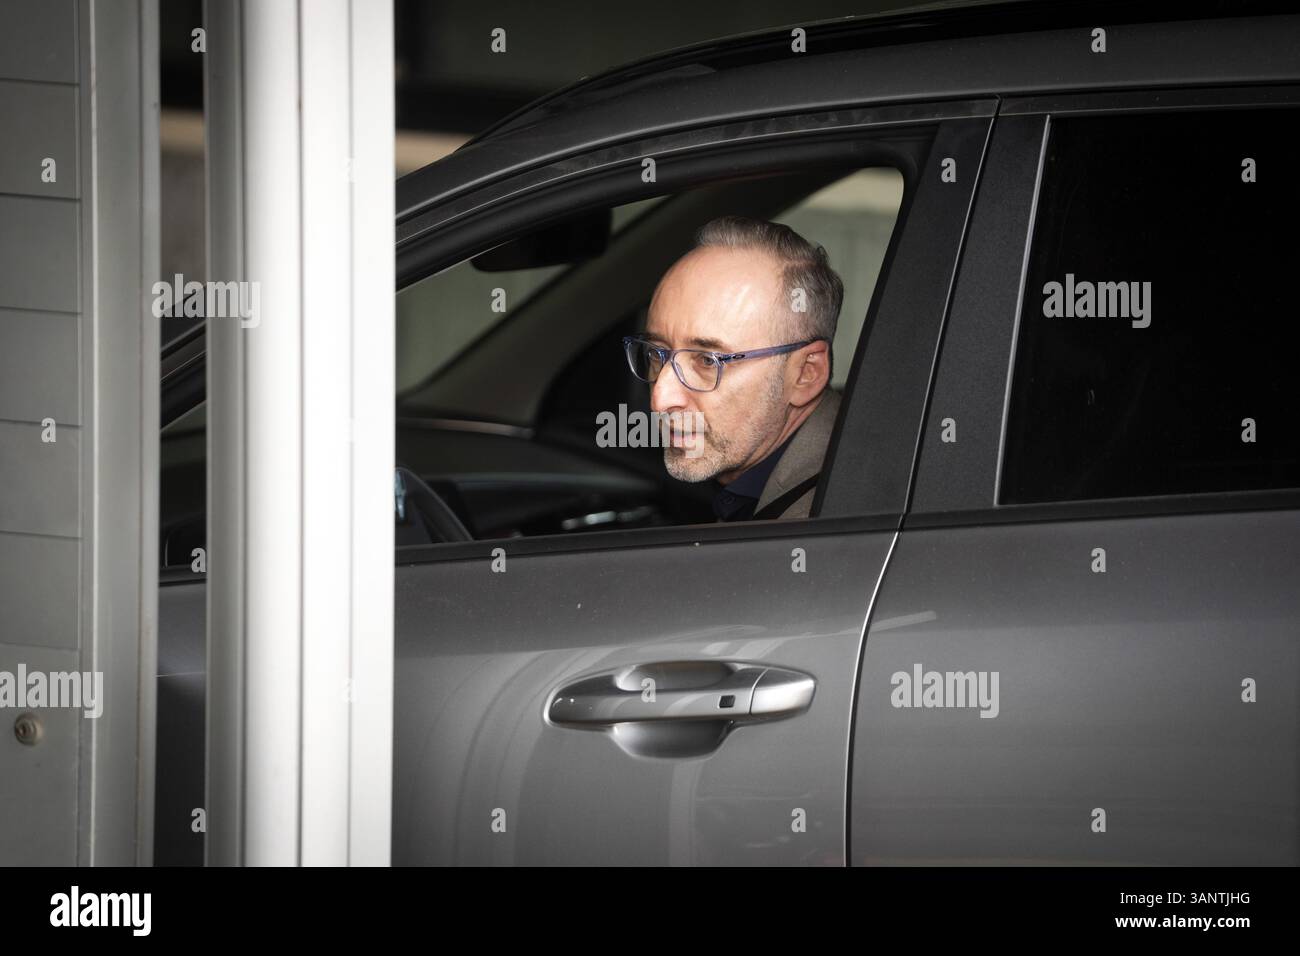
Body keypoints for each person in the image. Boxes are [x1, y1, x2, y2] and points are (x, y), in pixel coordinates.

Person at [623, 215, 843, 521]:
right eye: (657, 353)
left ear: (806, 373)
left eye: (707, 361)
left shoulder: (828, 518)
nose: (661, 399)